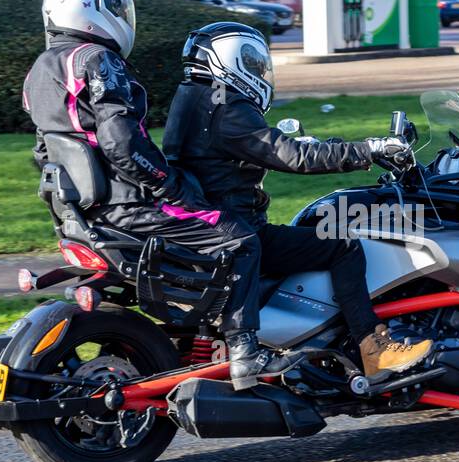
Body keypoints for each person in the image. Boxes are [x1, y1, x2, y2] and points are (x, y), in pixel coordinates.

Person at [23, 0, 288, 389]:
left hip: (85, 212)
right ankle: (244, 350)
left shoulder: (43, 68)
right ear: (89, 7)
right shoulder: (98, 61)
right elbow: (122, 145)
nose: (122, 16)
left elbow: (43, 152)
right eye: (114, 6)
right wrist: (170, 186)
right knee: (239, 238)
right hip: (129, 205)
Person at [162, 21, 434, 379]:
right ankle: (372, 346)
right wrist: (369, 150)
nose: (260, 70)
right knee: (343, 245)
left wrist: (330, 147)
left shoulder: (194, 96)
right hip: (238, 226)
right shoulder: (227, 105)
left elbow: (248, 148)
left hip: (212, 221)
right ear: (228, 59)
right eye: (252, 61)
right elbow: (293, 156)